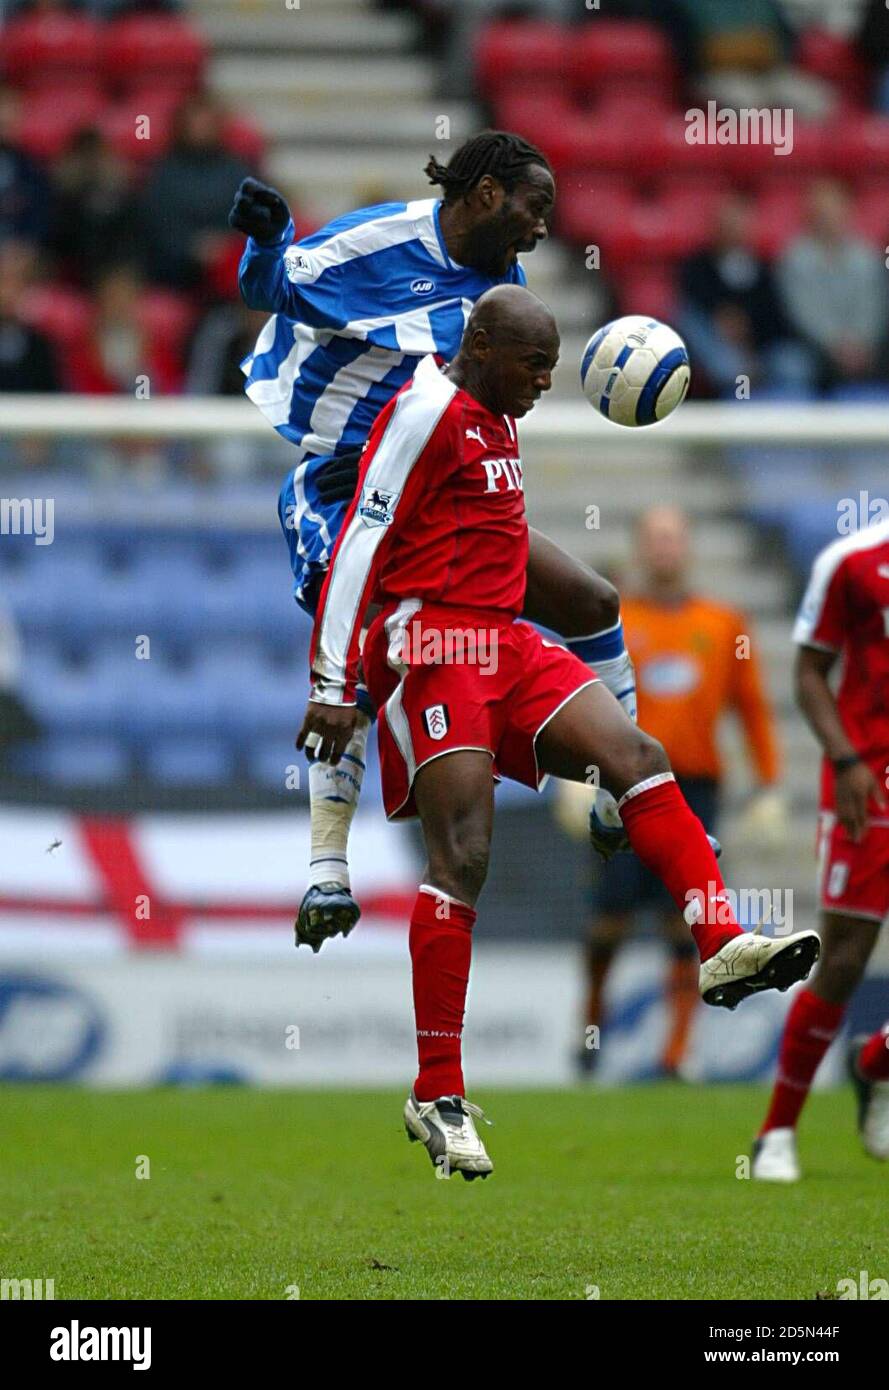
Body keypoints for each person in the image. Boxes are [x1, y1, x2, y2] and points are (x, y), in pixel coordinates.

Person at [298, 284, 819, 1178]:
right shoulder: (425, 411)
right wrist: (332, 678)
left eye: (550, 365)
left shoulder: (496, 410)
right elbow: (358, 543)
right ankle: (437, 1090)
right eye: (535, 365)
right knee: (463, 852)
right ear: (485, 348)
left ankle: (720, 940)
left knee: (637, 754)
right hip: (434, 644)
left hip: (505, 640)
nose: (547, 382)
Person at [229, 130, 637, 950]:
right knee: (371, 657)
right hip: (344, 482)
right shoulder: (382, 242)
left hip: (447, 503)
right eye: (533, 207)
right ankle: (326, 871)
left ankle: (612, 788)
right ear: (485, 195)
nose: (540, 228)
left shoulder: (504, 290)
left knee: (590, 599)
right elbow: (271, 287)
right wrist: (268, 237)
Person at [560, 505, 786, 1078]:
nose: (665, 548)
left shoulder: (723, 622)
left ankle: (676, 1055)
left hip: (695, 786)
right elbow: (577, 697)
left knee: (681, 924)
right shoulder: (614, 619)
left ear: (687, 549)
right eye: (655, 538)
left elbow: (752, 707)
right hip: (622, 780)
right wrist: (571, 778)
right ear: (641, 547)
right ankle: (589, 1027)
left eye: (674, 538)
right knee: (608, 920)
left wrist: (768, 785)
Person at [753, 518, 889, 1182]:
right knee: (841, 962)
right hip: (868, 786)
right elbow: (809, 672)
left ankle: (874, 1063)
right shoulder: (852, 560)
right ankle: (775, 1131)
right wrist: (843, 759)